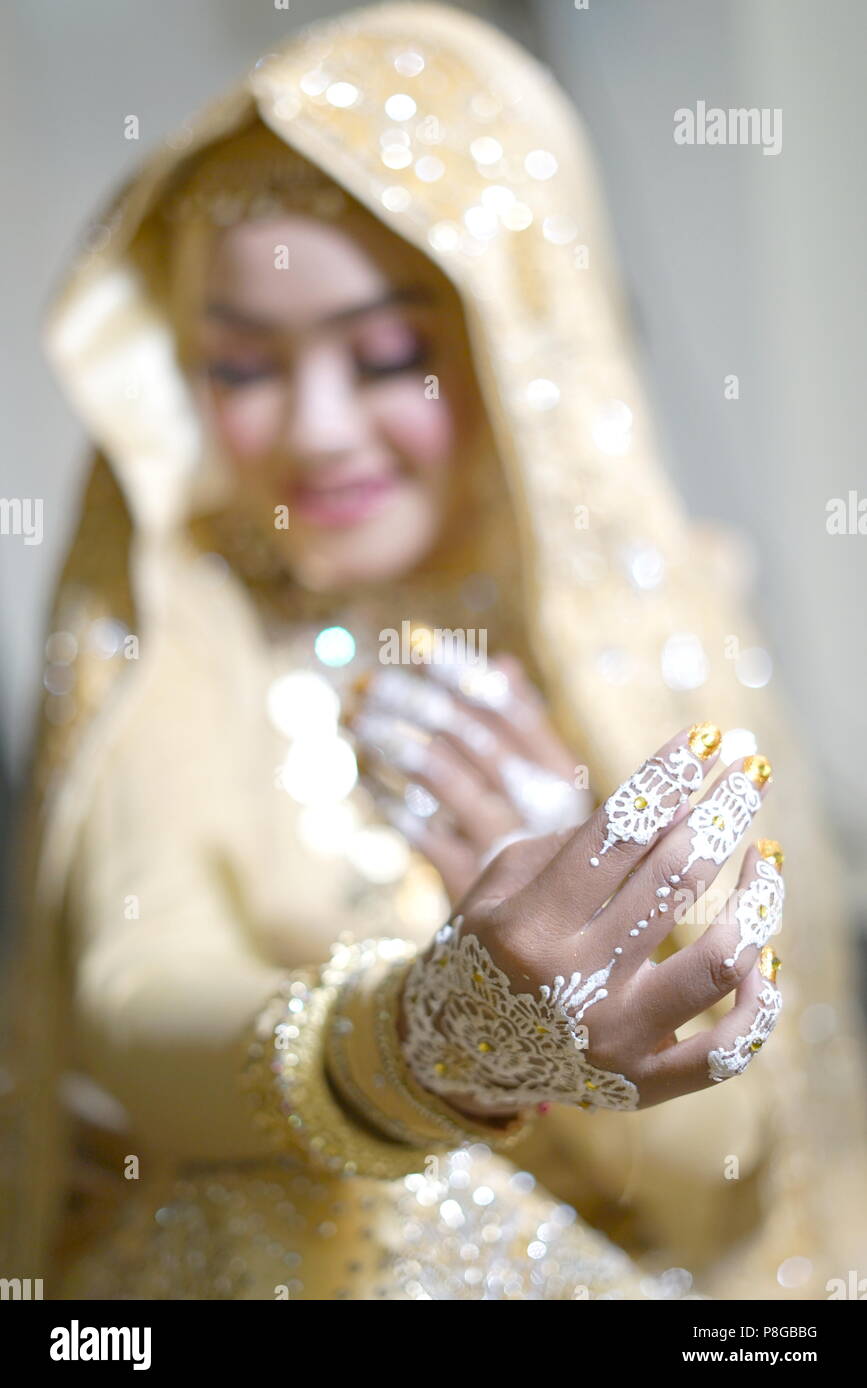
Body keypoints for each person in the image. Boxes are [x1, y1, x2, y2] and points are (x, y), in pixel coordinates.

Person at [2, 1, 865, 1301]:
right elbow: (136, 997)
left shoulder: (645, 629)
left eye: (392, 353)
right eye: (242, 368)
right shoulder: (187, 620)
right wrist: (418, 1038)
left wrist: (596, 950)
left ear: (516, 337)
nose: (319, 431)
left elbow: (720, 1173)